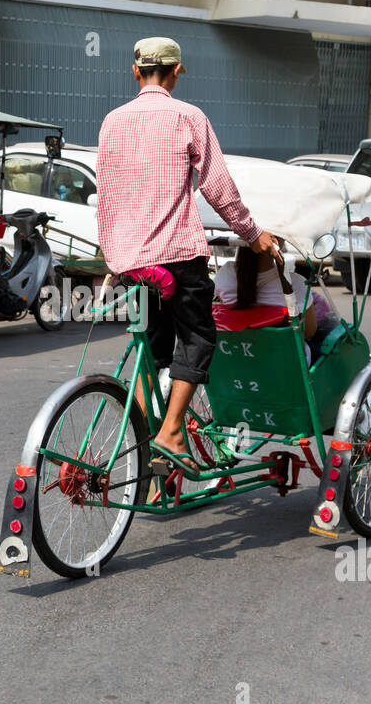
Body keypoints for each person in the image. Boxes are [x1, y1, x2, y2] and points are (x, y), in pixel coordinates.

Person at [95, 35, 278, 465]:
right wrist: (252, 234)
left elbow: (106, 196)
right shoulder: (187, 116)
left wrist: (114, 255)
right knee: (196, 337)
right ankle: (172, 433)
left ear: (136, 72)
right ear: (177, 72)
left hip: (131, 261)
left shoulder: (111, 122)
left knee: (150, 346)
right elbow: (217, 187)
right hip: (177, 256)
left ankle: (142, 443)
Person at [214, 242, 340, 361]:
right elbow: (309, 332)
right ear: (276, 241)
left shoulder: (225, 272)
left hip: (237, 355)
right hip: (284, 362)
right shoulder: (295, 282)